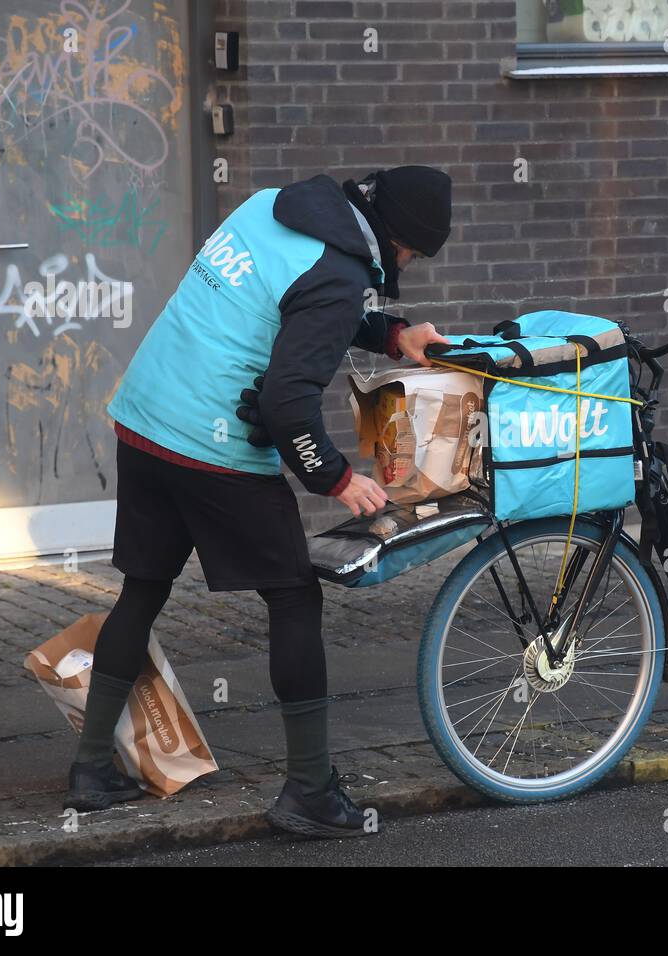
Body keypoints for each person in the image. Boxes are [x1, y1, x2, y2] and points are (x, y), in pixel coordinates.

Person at [63, 166, 453, 839]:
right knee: (296, 598)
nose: (409, 264)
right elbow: (285, 402)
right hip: (210, 444)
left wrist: (392, 334)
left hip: (146, 414)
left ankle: (91, 770)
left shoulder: (276, 206)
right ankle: (309, 790)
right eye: (414, 254)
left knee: (144, 587)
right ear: (396, 239)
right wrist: (336, 479)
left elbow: (296, 302)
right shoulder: (338, 275)